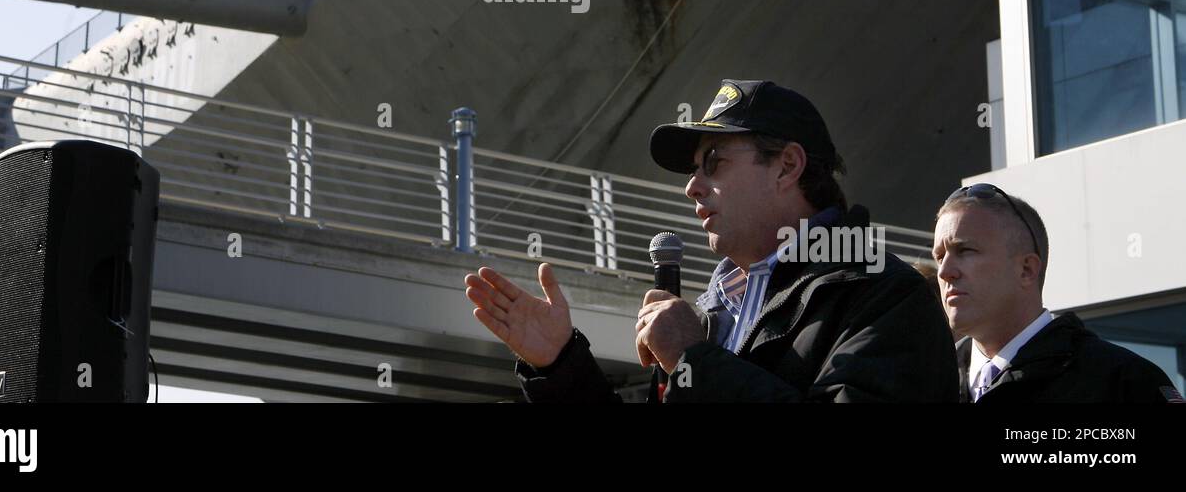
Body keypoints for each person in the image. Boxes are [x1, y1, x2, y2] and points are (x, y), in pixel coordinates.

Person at [464, 79, 960, 402]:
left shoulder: (883, 293)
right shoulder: (710, 310)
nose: (692, 185)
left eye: (715, 162)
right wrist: (561, 366)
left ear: (787, 165)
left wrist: (695, 359)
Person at [934, 183, 1183, 403]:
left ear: (1026, 270)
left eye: (965, 251)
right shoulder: (922, 381)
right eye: (939, 256)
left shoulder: (1123, 382)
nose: (945, 272)